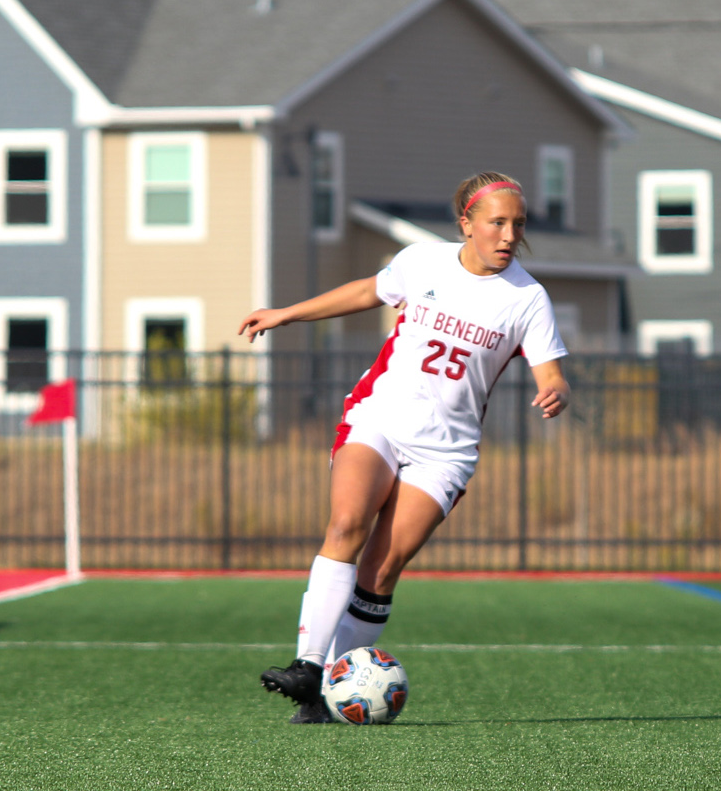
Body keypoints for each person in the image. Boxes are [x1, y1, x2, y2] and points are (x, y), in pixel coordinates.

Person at [239, 172, 570, 721]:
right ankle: (309, 666)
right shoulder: (422, 262)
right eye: (497, 222)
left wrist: (554, 391)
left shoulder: (528, 299)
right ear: (466, 223)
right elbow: (369, 291)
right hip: (380, 419)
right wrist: (286, 312)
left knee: (380, 571)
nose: (509, 235)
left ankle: (326, 697)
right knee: (347, 523)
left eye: (518, 224)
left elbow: (550, 372)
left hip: (446, 452)